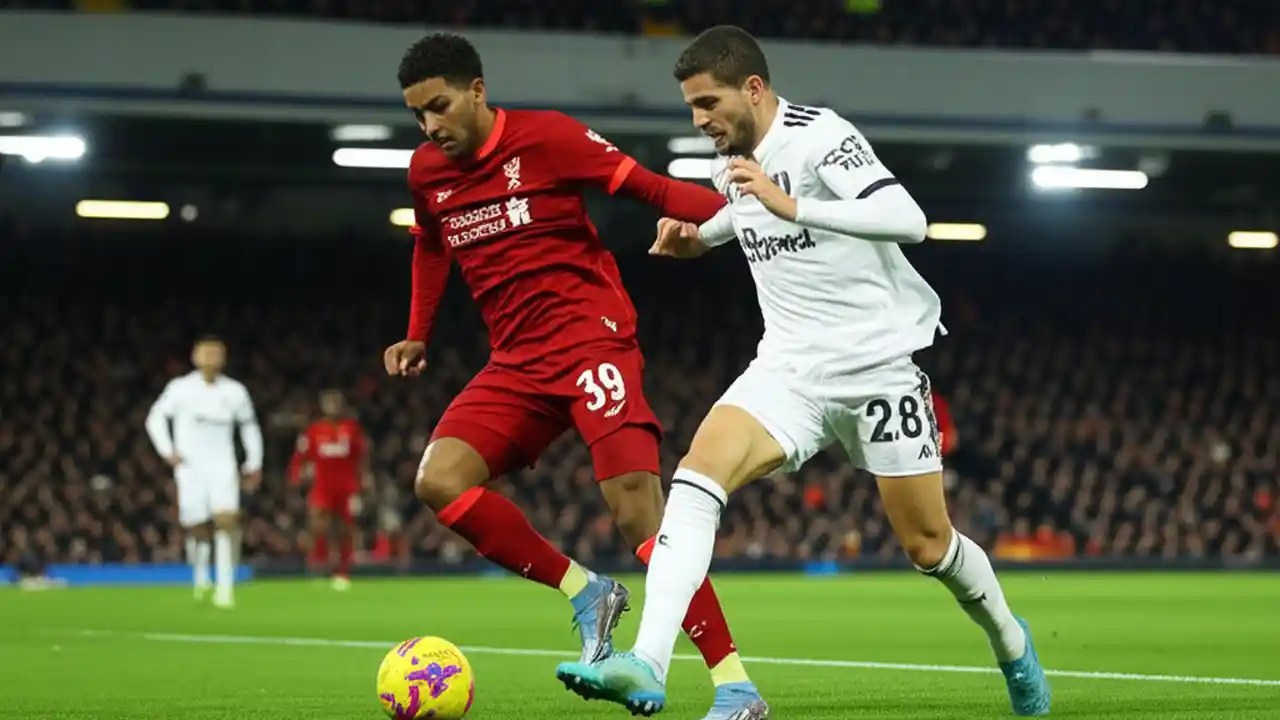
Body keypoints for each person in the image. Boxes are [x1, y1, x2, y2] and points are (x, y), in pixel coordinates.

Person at [556, 25, 1050, 718]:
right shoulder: (731, 165)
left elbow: (907, 218)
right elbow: (745, 217)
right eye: (691, 107)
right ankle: (647, 662)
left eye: (708, 103)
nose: (699, 120)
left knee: (929, 546)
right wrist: (700, 240)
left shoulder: (821, 136)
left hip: (877, 367)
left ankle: (1010, 642)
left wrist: (793, 203)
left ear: (754, 89)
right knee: (696, 478)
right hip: (788, 368)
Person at [381, 33, 766, 719]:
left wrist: (761, 215)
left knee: (639, 514)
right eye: (417, 114)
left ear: (476, 91)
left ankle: (735, 685)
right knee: (439, 480)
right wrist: (417, 331)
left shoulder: (548, 138)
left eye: (439, 106)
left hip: (593, 344)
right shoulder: (426, 171)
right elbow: (431, 247)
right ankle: (587, 592)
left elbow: (653, 189)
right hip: (515, 363)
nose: (429, 125)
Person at [145, 336, 262, 609]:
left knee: (226, 520)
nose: (211, 359)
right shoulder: (181, 389)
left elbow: (249, 426)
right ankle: (200, 575)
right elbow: (155, 418)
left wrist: (254, 462)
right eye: (206, 353)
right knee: (197, 525)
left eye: (216, 354)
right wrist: (167, 451)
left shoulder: (235, 391)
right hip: (190, 466)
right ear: (195, 357)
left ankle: (225, 589)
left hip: (222, 464)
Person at [289, 388, 369, 590]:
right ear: (323, 406)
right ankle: (317, 566)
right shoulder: (314, 430)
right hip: (322, 486)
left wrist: (364, 479)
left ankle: (343, 570)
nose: (333, 407)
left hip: (347, 486)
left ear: (342, 405)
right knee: (318, 526)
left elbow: (362, 455)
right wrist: (296, 474)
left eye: (336, 402)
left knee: (345, 529)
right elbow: (301, 455)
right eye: (329, 403)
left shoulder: (352, 428)